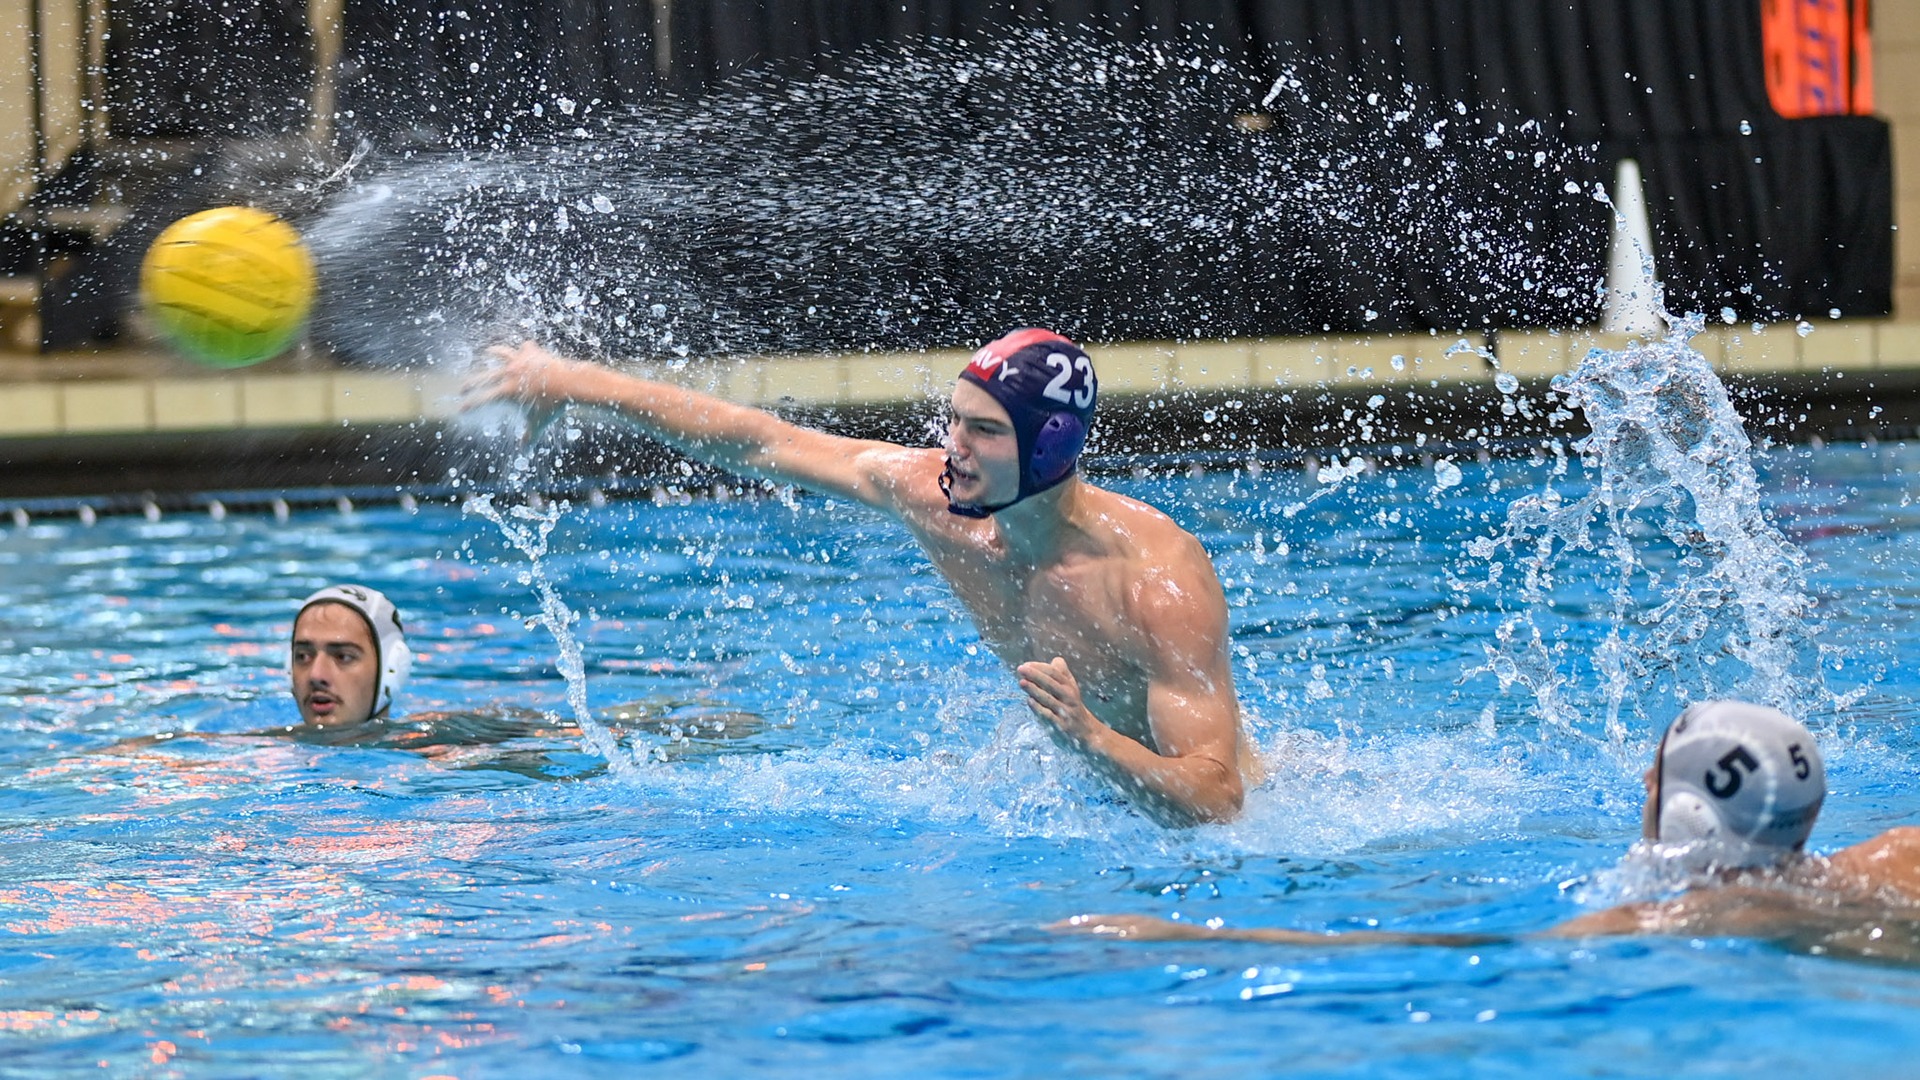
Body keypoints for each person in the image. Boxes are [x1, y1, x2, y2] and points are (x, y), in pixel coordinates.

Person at [466, 329, 1258, 824]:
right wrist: (571, 381)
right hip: (1086, 785)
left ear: (1048, 446)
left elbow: (1219, 800)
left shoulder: (1155, 583)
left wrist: (1088, 739)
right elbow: (758, 442)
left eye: (983, 431)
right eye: (954, 420)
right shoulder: (935, 499)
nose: (954, 446)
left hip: (1181, 813)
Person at [1056, 701, 1920, 957]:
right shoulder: (1894, 857)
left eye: (1659, 772)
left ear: (1691, 811)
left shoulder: (1680, 920)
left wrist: (1183, 934)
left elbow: (1456, 950)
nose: (1642, 781)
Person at [290, 584, 411, 727]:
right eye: (303, 656)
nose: (316, 675)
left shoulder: (434, 745)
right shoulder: (266, 745)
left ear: (391, 669)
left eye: (343, 657)